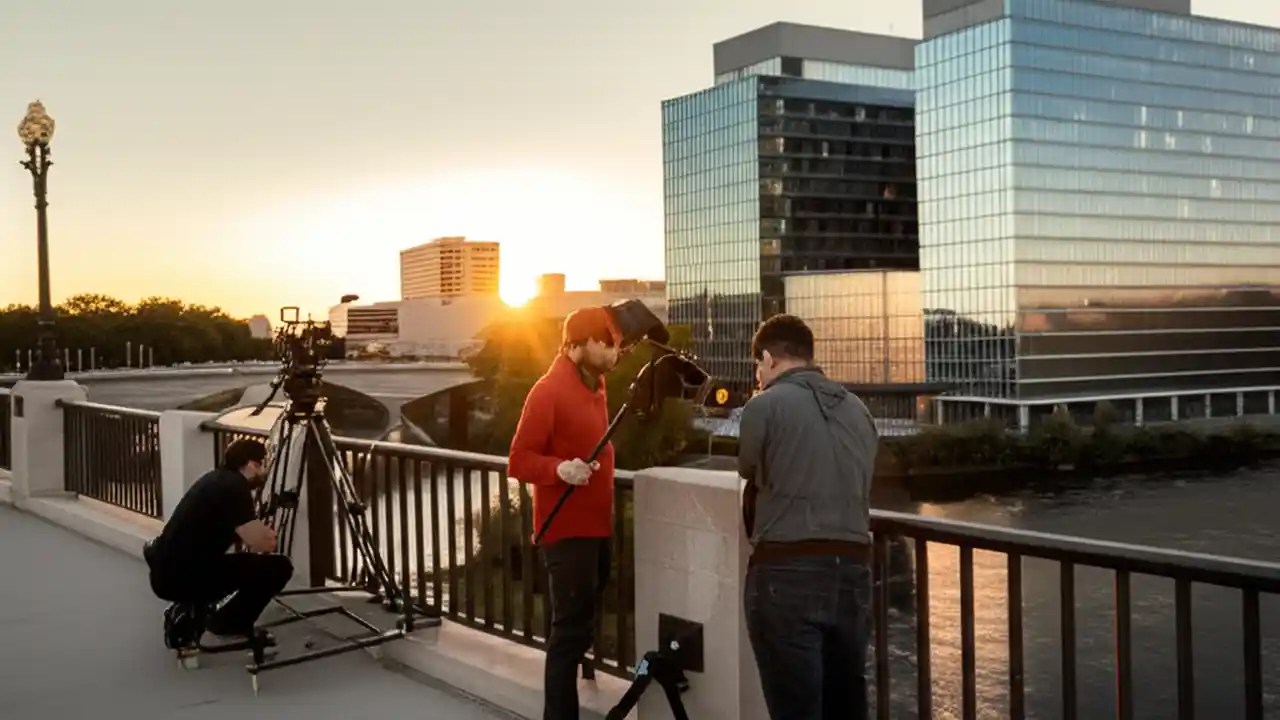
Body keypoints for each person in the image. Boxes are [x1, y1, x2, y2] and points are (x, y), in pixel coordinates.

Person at [737, 314, 880, 720]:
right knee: (847, 703)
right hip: (852, 574)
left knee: (796, 707)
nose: (758, 374)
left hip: (785, 573)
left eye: (758, 366)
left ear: (767, 358)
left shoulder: (763, 406)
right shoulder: (857, 409)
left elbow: (749, 468)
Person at [509, 307, 621, 720]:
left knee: (582, 627)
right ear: (577, 345)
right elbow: (518, 459)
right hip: (565, 529)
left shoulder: (597, 385)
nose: (614, 352)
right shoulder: (547, 390)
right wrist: (559, 469)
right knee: (568, 635)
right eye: (605, 344)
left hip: (596, 527)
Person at [144, 438, 293, 645]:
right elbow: (263, 545)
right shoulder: (236, 487)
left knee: (233, 565)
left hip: (165, 572)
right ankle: (229, 625)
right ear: (252, 464)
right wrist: (267, 533)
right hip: (182, 578)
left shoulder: (216, 479)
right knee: (279, 567)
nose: (265, 472)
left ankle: (192, 611)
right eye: (263, 465)